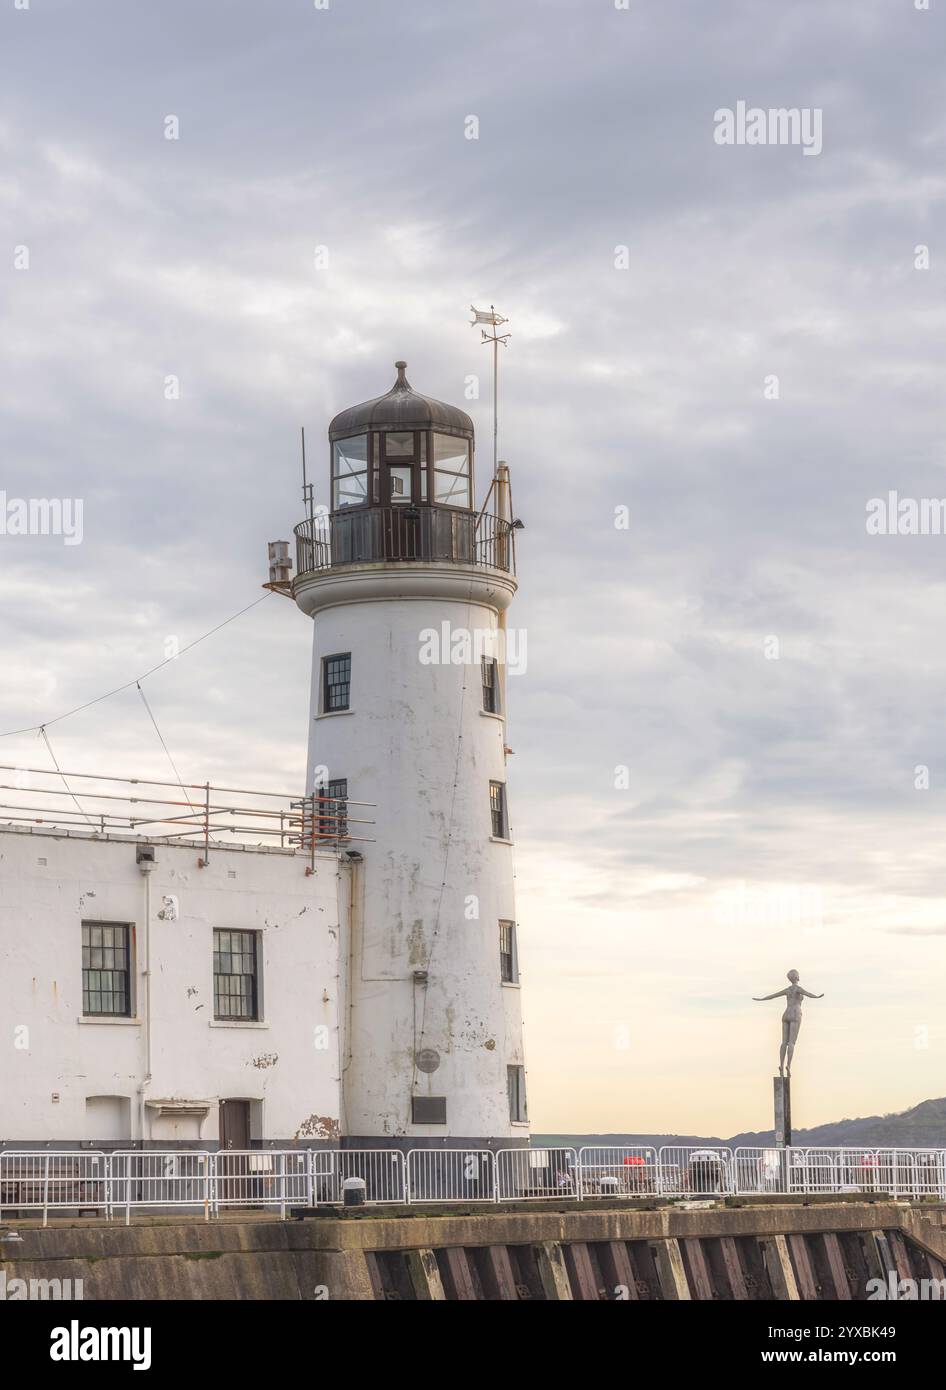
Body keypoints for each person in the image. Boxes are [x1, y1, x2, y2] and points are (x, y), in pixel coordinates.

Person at [753, 969, 824, 1076]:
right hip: (796, 1013)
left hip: (786, 1013)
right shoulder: (798, 989)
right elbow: (808, 994)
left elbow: (773, 996)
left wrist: (761, 999)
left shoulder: (787, 990)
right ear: (796, 977)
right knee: (791, 1042)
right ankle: (788, 1065)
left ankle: (781, 1065)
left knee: (783, 1042)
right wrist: (817, 997)